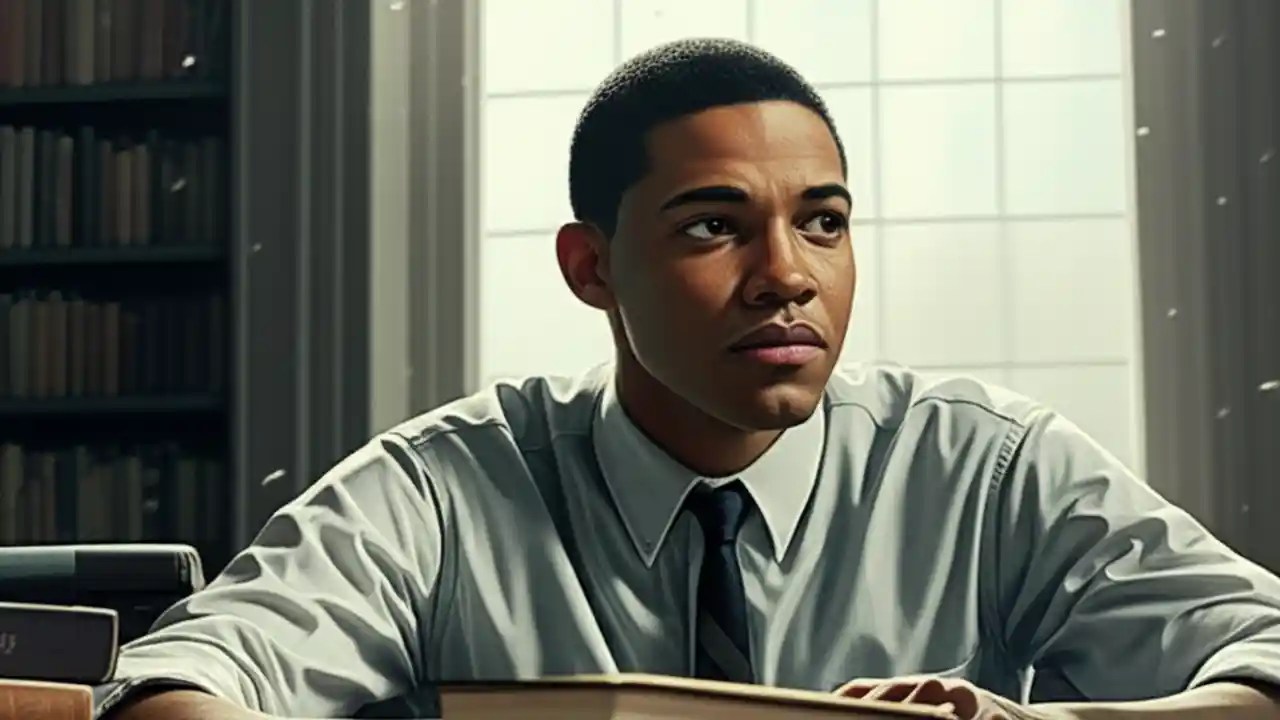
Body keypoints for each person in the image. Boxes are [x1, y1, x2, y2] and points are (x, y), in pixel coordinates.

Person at [103, 38, 1280, 720]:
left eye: (821, 223)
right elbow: (188, 678)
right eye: (715, 227)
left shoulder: (984, 465)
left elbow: (1262, 660)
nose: (786, 278)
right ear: (591, 267)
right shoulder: (444, 489)